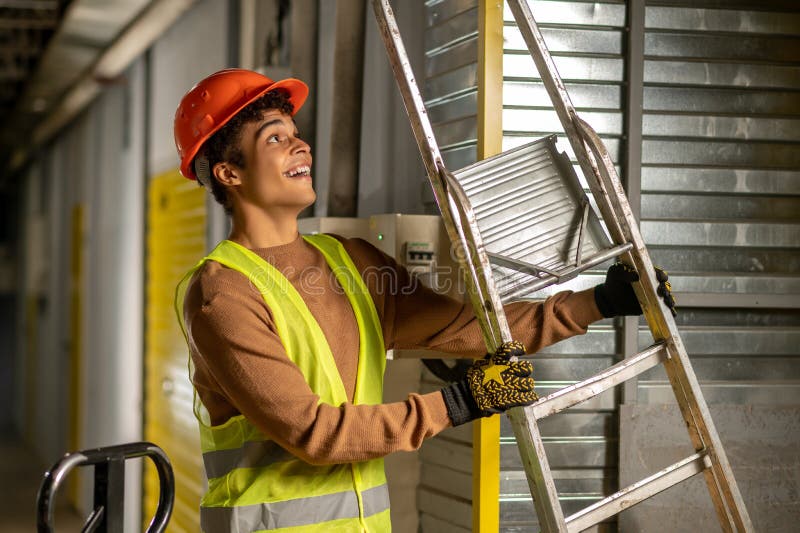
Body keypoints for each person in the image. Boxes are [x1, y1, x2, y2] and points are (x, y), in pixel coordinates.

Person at [173, 68, 674, 533]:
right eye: (275, 139)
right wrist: (462, 401)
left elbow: (468, 331)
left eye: (294, 131)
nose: (299, 145)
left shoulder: (351, 260)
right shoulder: (222, 293)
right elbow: (316, 432)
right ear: (228, 174)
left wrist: (602, 302)